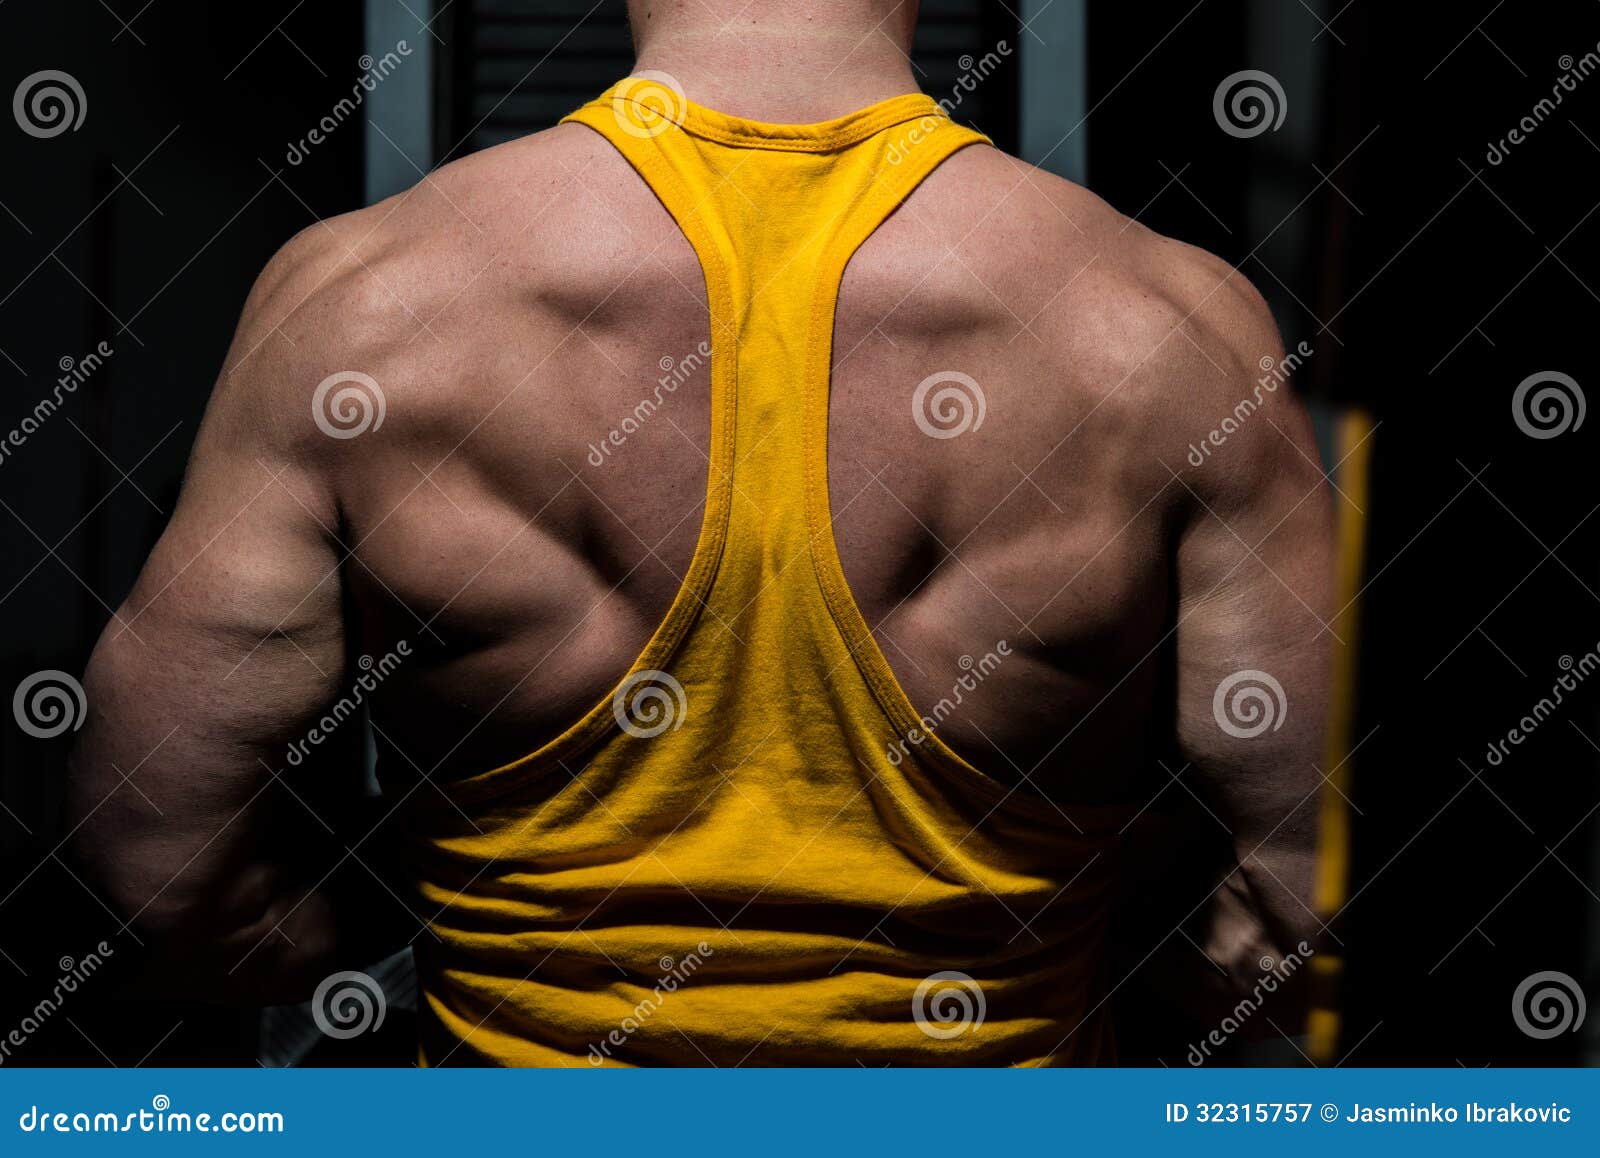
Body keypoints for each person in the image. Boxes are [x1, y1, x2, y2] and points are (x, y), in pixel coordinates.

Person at [67, 0, 1332, 1065]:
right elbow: (1300, 895)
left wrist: (389, 949)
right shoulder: (1166, 327)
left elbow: (162, 862)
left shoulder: (364, 306)